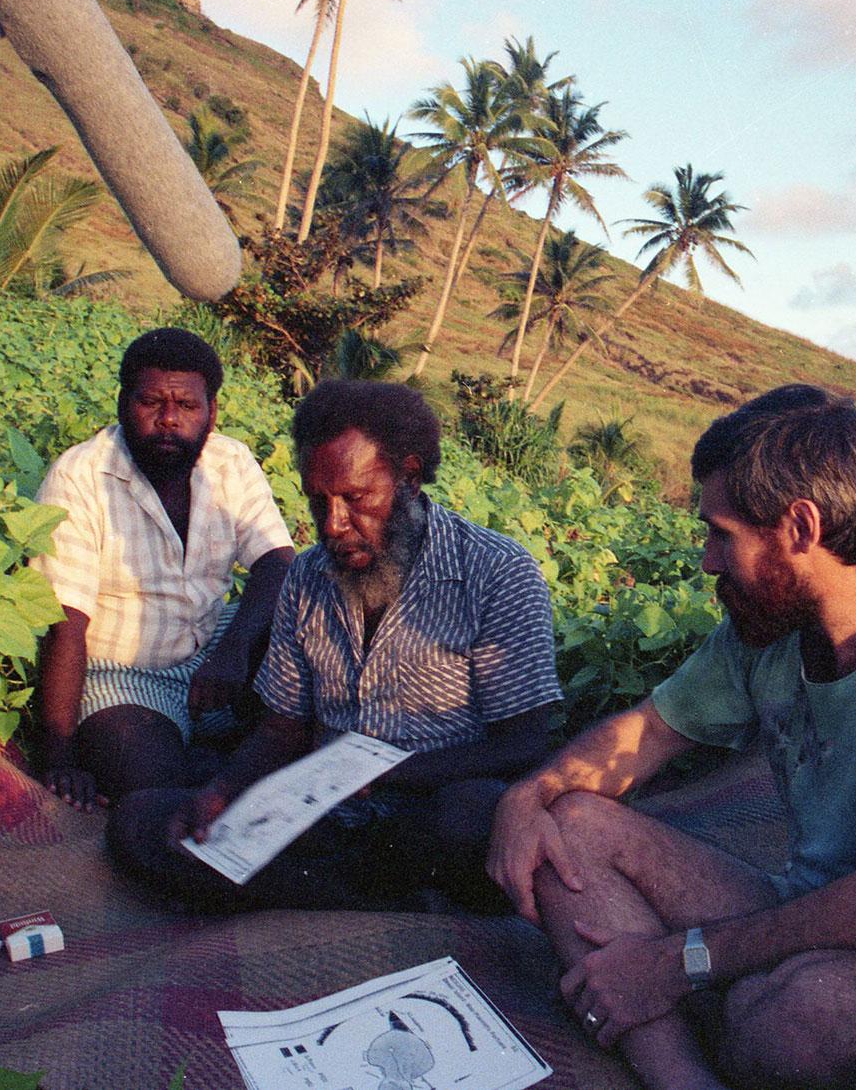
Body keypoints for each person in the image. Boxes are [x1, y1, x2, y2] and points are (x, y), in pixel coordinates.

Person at [488, 385, 856, 1090]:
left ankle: (691, 1011)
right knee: (566, 827)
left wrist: (679, 962)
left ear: (800, 528)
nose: (706, 561)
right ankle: (685, 1078)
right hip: (799, 909)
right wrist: (527, 795)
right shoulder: (770, 628)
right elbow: (647, 733)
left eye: (722, 533)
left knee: (797, 1023)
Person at [112, 379, 562, 911]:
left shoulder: (497, 573)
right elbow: (284, 726)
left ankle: (312, 891)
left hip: (428, 809)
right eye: (317, 500)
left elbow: (529, 741)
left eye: (356, 498)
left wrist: (389, 774)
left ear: (410, 478)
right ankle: (366, 899)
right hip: (324, 813)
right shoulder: (307, 576)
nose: (333, 524)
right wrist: (226, 790)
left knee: (473, 813)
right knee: (139, 819)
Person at [31, 328, 295, 807]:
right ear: (122, 403)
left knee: (306, 603)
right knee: (156, 786)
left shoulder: (230, 462)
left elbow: (277, 562)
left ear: (212, 411)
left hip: (214, 648)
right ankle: (204, 761)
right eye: (151, 402)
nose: (169, 420)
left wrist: (234, 650)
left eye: (187, 406)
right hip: (124, 674)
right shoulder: (80, 477)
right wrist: (60, 761)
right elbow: (63, 625)